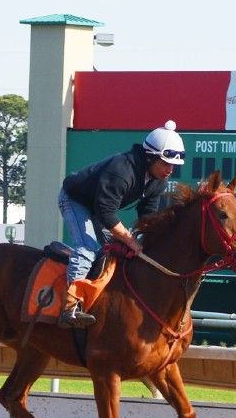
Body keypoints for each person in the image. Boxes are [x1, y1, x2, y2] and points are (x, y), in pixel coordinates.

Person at [56, 120, 186, 328]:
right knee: (89, 249)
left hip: (98, 207)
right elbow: (106, 213)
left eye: (173, 165)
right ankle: (70, 308)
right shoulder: (121, 170)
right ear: (150, 157)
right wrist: (129, 239)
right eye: (165, 163)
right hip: (75, 200)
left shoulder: (157, 181)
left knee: (113, 252)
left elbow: (148, 216)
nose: (170, 170)